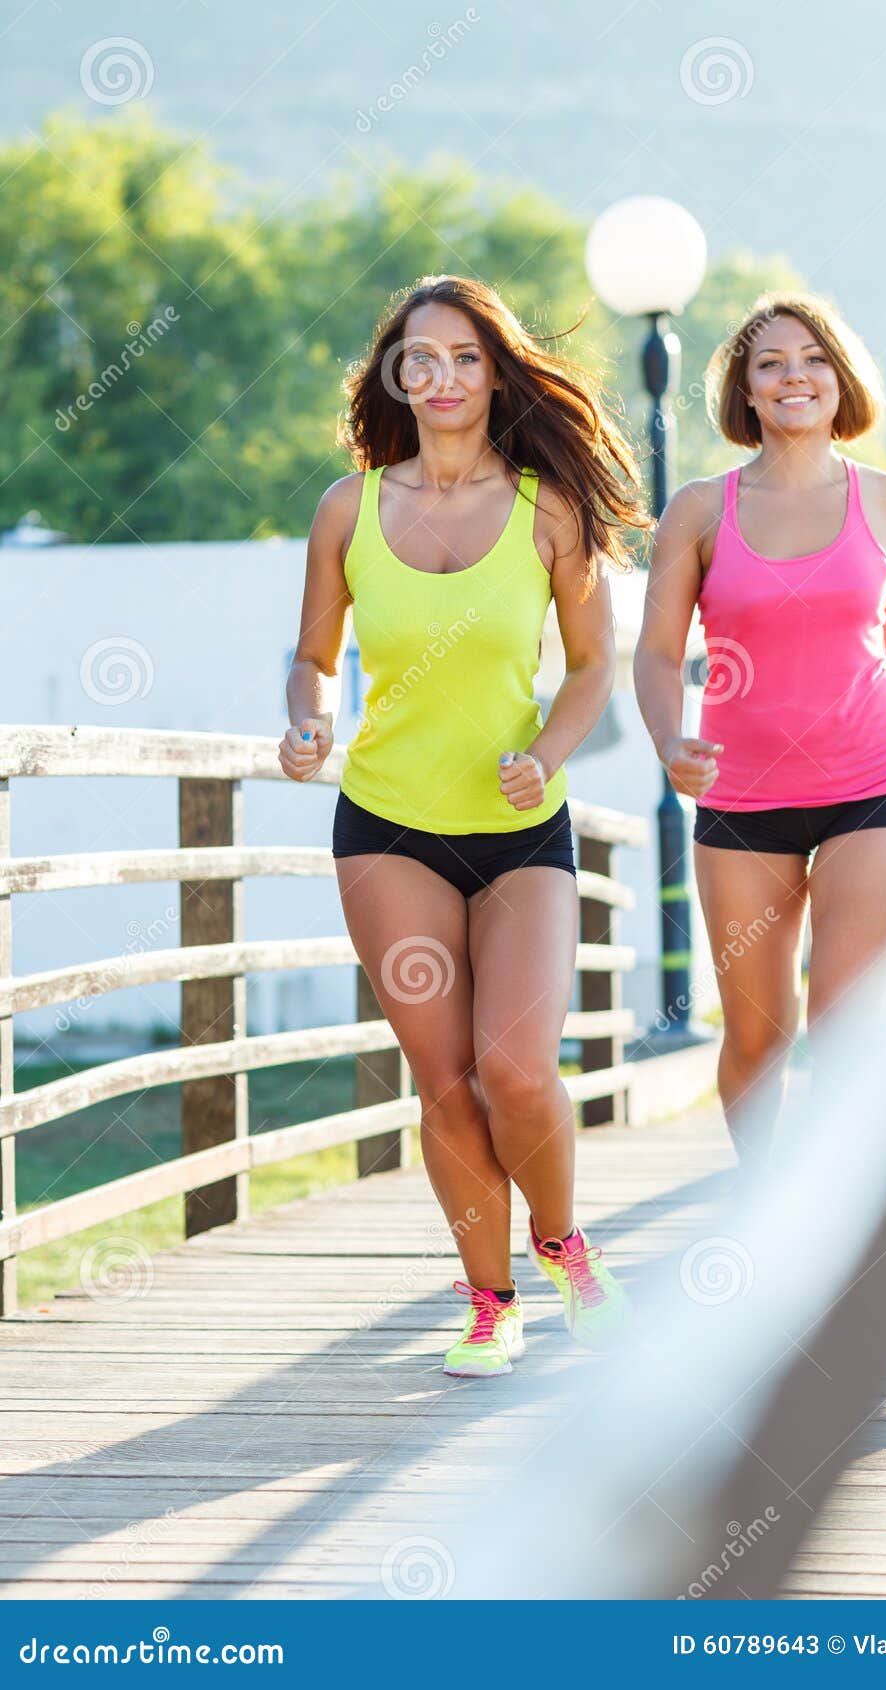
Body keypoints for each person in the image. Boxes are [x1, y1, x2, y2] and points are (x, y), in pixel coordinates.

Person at [278, 276, 647, 1377]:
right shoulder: (348, 510)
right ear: (394, 375)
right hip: (386, 824)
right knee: (444, 1080)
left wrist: (545, 756)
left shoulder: (548, 510)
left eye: (463, 357)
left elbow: (591, 668)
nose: (439, 376)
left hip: (516, 827)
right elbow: (313, 657)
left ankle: (563, 1241)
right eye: (417, 358)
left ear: (497, 372)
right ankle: (490, 1301)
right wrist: (305, 721)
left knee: (518, 1068)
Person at [634, 291, 886, 1160]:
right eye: (769, 363)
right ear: (746, 390)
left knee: (845, 1028)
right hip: (743, 796)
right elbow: (659, 653)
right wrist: (670, 742)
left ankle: (827, 1230)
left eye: (811, 357)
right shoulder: (700, 510)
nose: (793, 376)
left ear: (840, 376)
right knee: (756, 1039)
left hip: (875, 784)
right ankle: (763, 1198)